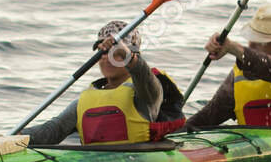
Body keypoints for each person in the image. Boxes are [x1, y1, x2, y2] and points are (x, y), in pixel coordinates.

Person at [26, 21, 186, 146]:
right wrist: (13, 138)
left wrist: (125, 52)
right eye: (102, 52)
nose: (106, 57)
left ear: (132, 55)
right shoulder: (84, 101)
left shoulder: (148, 92)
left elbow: (142, 73)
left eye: (115, 54)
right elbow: (52, 131)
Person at [185, 4, 271, 131]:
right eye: (251, 39)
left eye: (259, 42)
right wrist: (176, 131)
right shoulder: (240, 74)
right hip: (253, 146)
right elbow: (208, 117)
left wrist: (235, 48)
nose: (251, 46)